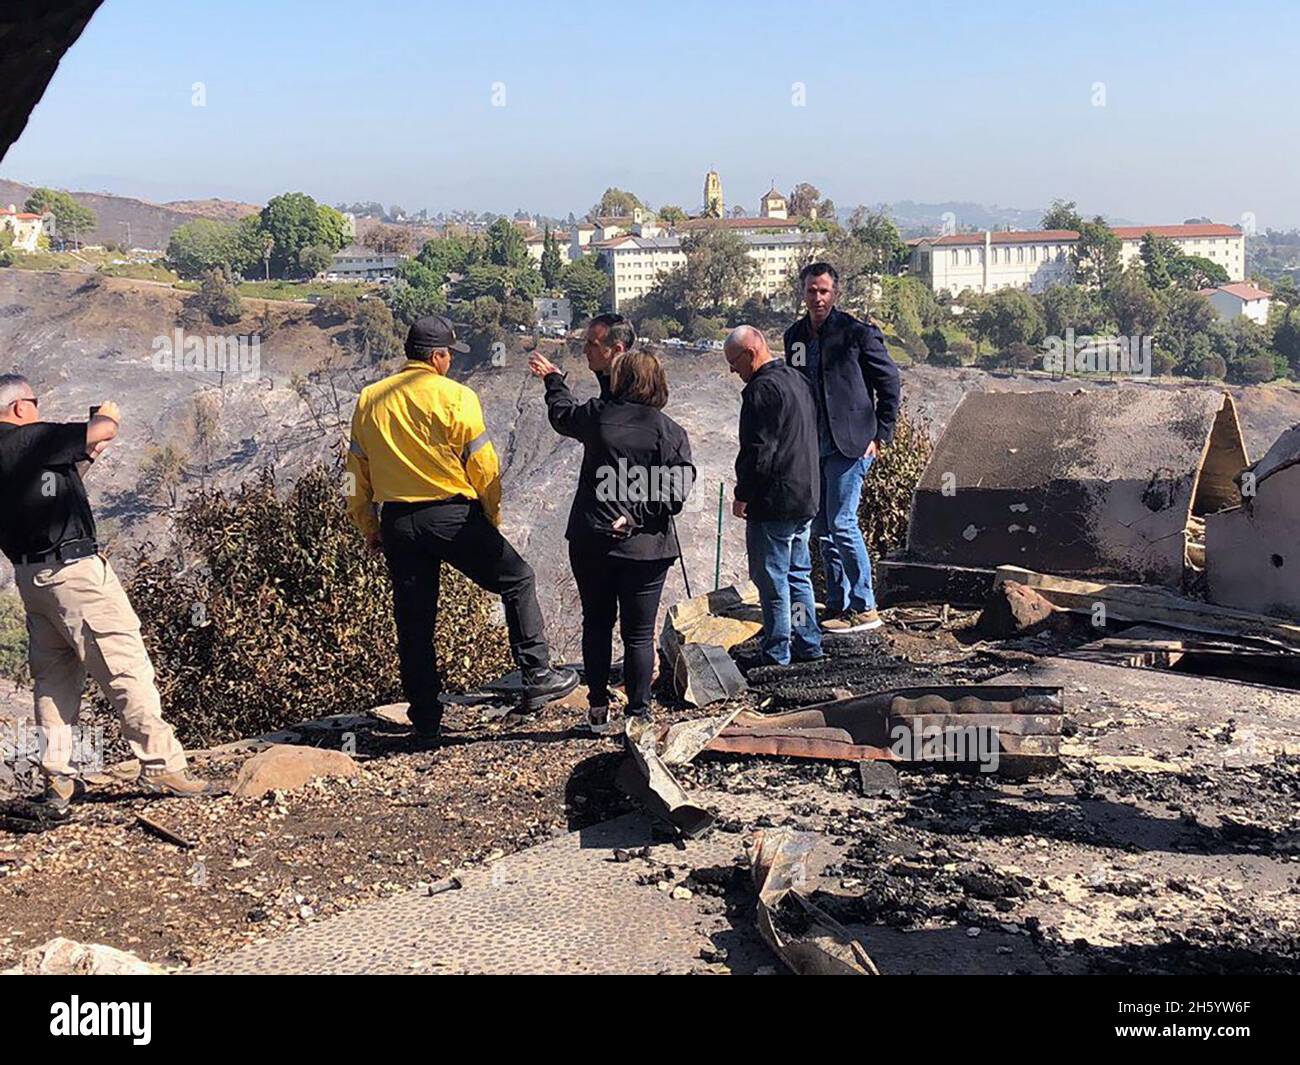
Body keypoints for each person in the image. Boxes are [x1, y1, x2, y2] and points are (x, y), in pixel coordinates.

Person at [346, 315, 577, 739]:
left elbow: (354, 472)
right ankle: (537, 674)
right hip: (451, 516)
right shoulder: (457, 396)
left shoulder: (369, 399)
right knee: (518, 578)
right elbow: (482, 464)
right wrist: (490, 514)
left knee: (414, 621)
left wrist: (368, 525)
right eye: (449, 354)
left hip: (398, 520)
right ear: (436, 356)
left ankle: (426, 717)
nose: (450, 360)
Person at [0, 374, 213, 814]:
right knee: (124, 664)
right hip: (75, 573)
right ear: (21, 407)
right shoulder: (31, 437)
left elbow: (56, 480)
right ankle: (160, 763)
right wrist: (105, 417)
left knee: (54, 680)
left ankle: (57, 777)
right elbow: (102, 430)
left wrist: (88, 454)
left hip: (31, 576)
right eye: (35, 403)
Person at [529, 346, 694, 732]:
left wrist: (553, 379)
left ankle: (598, 709)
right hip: (646, 547)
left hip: (591, 541)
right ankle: (638, 713)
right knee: (638, 633)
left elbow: (561, 414)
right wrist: (637, 515)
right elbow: (678, 489)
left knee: (597, 624)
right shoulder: (669, 431)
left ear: (621, 380)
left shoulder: (597, 418)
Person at [784, 262, 901, 634]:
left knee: (843, 522)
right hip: (812, 444)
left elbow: (890, 382)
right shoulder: (796, 338)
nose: (817, 297)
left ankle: (865, 605)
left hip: (852, 443)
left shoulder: (856, 334)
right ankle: (838, 603)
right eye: (811, 291)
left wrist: (881, 434)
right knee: (822, 527)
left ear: (835, 293)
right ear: (802, 293)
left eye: (823, 291)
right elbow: (798, 385)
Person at [723, 327, 823, 666]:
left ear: (751, 354)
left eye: (734, 363)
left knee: (772, 578)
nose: (732, 371)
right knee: (798, 574)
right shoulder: (797, 379)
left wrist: (744, 493)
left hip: (775, 500)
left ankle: (777, 650)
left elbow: (758, 451)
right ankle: (808, 643)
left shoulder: (760, 390)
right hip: (805, 493)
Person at [582, 313, 635, 399]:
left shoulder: (623, 398)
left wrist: (556, 382)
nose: (585, 350)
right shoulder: (609, 381)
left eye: (594, 345)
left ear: (617, 350)